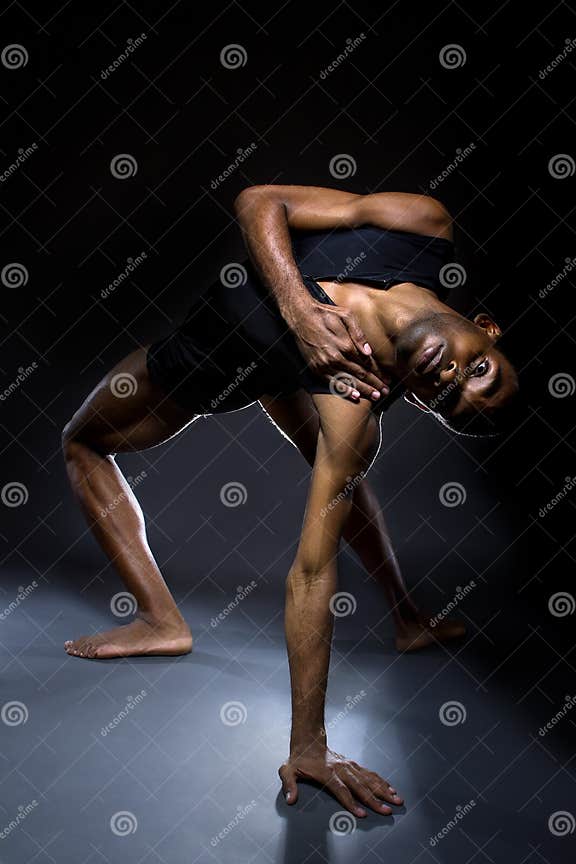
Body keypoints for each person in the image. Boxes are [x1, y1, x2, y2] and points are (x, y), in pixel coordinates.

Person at [61, 186, 519, 816]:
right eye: (479, 371)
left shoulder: (354, 404)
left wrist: (309, 745)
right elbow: (259, 200)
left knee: (80, 442)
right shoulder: (419, 225)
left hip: (244, 367)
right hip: (235, 349)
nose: (450, 381)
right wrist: (302, 313)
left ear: (418, 402)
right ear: (487, 330)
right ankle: (409, 620)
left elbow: (311, 572)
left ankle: (161, 620)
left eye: (448, 402)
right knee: (87, 439)